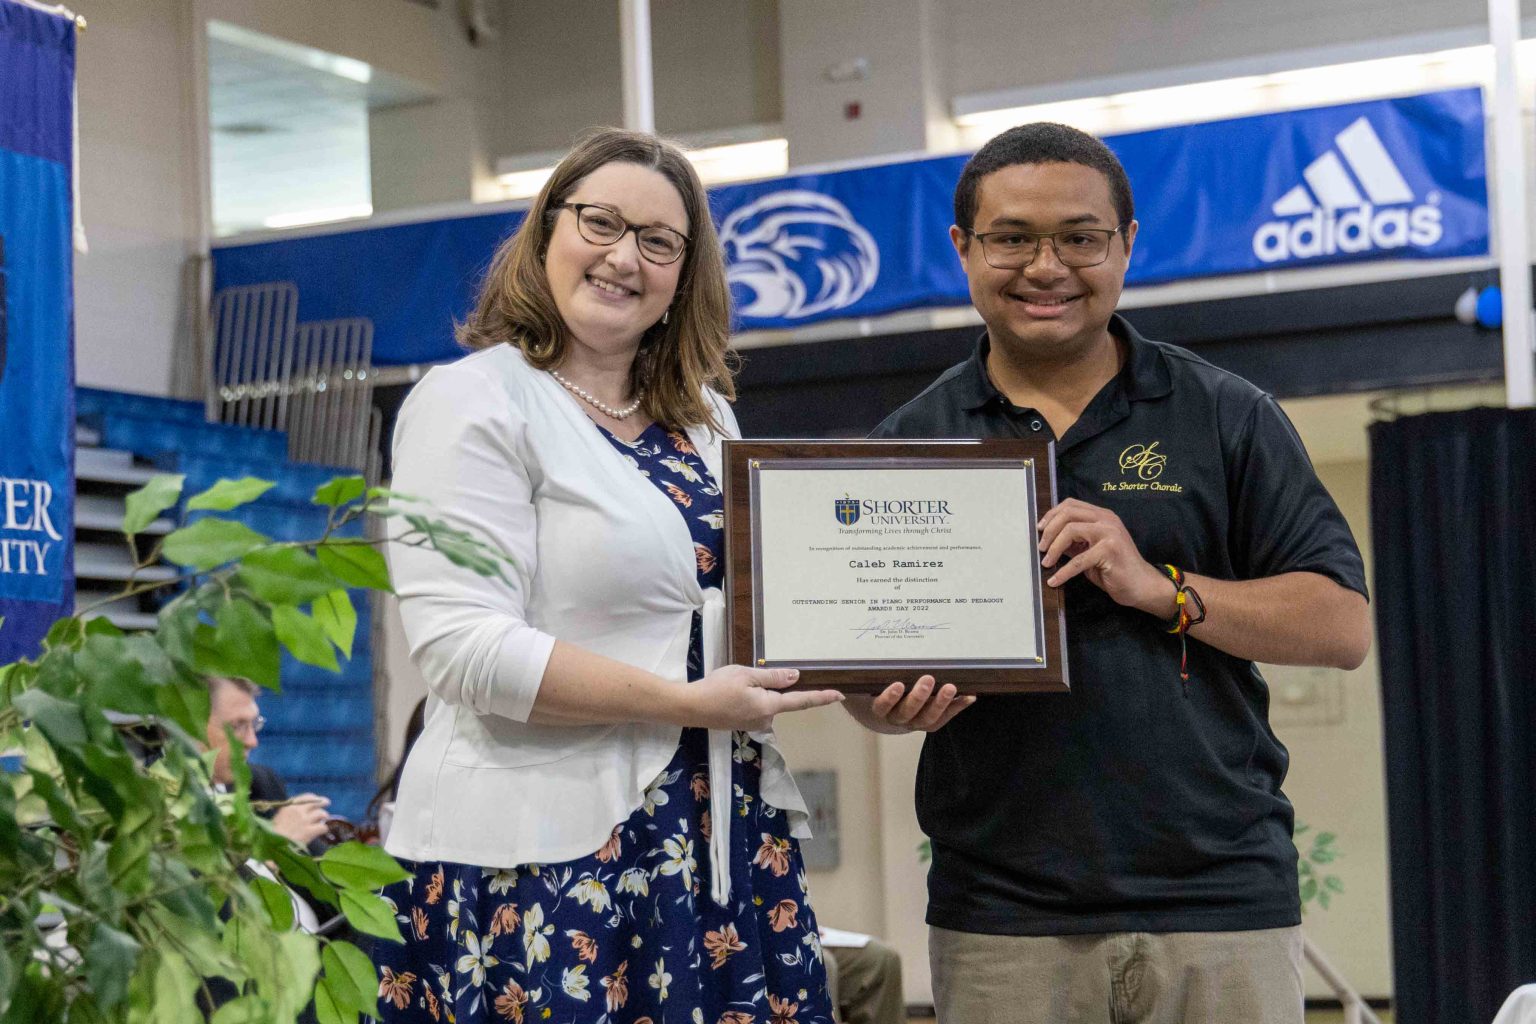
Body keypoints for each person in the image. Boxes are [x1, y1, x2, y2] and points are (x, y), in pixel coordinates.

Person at [847, 123, 1372, 1024]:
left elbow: (1340, 626)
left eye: (1079, 237)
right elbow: (861, 674)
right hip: (1003, 918)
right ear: (963, 250)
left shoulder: (1224, 414)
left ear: (1126, 244)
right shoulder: (911, 440)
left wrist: (1159, 586)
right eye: (1011, 237)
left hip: (1220, 903)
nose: (1045, 265)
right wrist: (881, 703)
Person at [375, 127, 844, 1024]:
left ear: (683, 275)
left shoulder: (708, 419)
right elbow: (463, 652)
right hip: (540, 858)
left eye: (659, 241)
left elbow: (775, 603)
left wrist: (882, 662)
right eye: (601, 222)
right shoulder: (472, 400)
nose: (625, 256)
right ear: (547, 231)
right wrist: (689, 702)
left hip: (720, 840)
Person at [204, 675, 330, 855]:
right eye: (237, 726)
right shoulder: (158, 803)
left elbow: (334, 879)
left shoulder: (260, 785)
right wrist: (272, 847)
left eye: (253, 724)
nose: (252, 741)